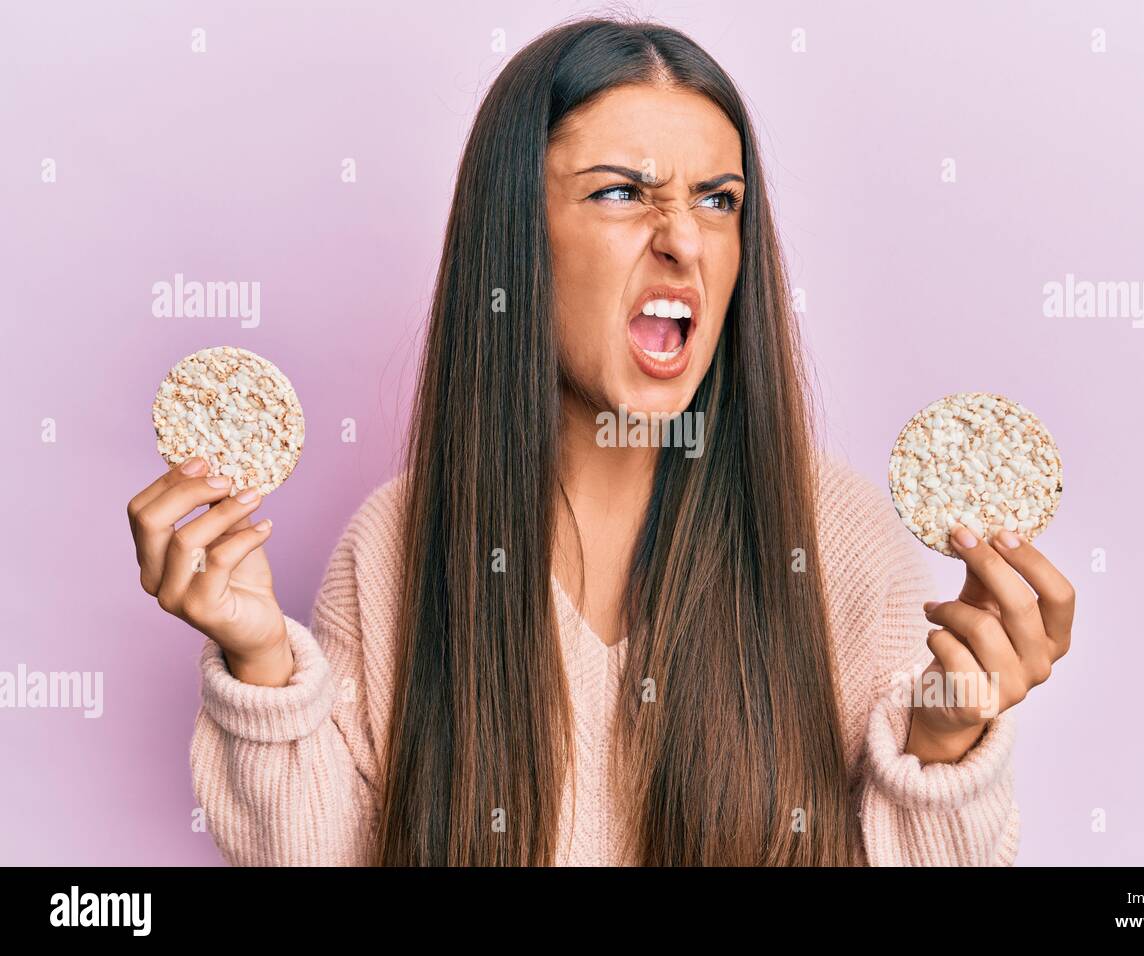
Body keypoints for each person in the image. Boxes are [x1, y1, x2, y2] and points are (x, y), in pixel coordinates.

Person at [126, 16, 1074, 866]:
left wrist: (946, 742)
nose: (684, 242)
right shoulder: (395, 546)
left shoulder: (834, 542)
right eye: (622, 194)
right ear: (516, 238)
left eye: (718, 200)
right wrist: (259, 665)